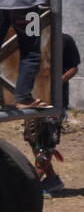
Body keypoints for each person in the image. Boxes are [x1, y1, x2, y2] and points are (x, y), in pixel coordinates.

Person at [25, 33, 79, 197]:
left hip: (54, 102)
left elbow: (73, 67)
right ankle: (53, 180)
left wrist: (58, 81)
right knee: (33, 140)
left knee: (45, 144)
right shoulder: (28, 38)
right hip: (33, 100)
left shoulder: (64, 39)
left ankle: (30, 188)